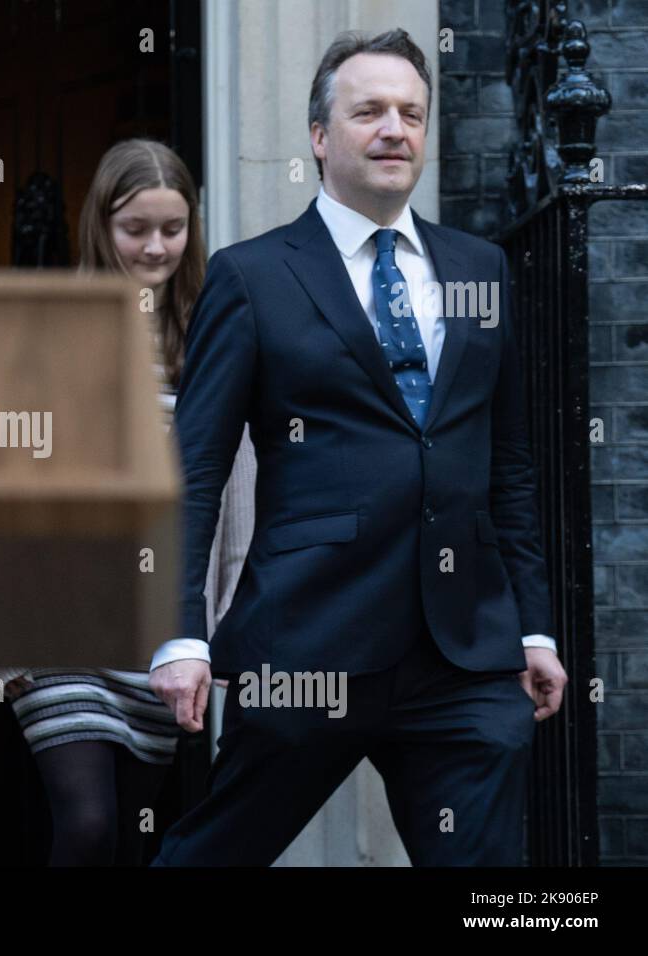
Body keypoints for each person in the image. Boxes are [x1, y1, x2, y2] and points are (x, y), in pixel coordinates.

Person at [149, 29, 569, 866]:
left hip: (465, 658)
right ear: (319, 136)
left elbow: (509, 464)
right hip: (309, 645)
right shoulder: (254, 275)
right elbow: (192, 473)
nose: (394, 129)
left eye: (411, 113)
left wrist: (533, 629)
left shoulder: (479, 267)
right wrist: (181, 633)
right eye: (369, 110)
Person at [0, 139, 255, 866]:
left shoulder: (212, 333)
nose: (154, 247)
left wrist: (223, 625)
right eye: (134, 228)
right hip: (64, 625)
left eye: (172, 229)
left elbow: (235, 498)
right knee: (86, 826)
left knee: (135, 838)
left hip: (162, 629)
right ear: (98, 228)